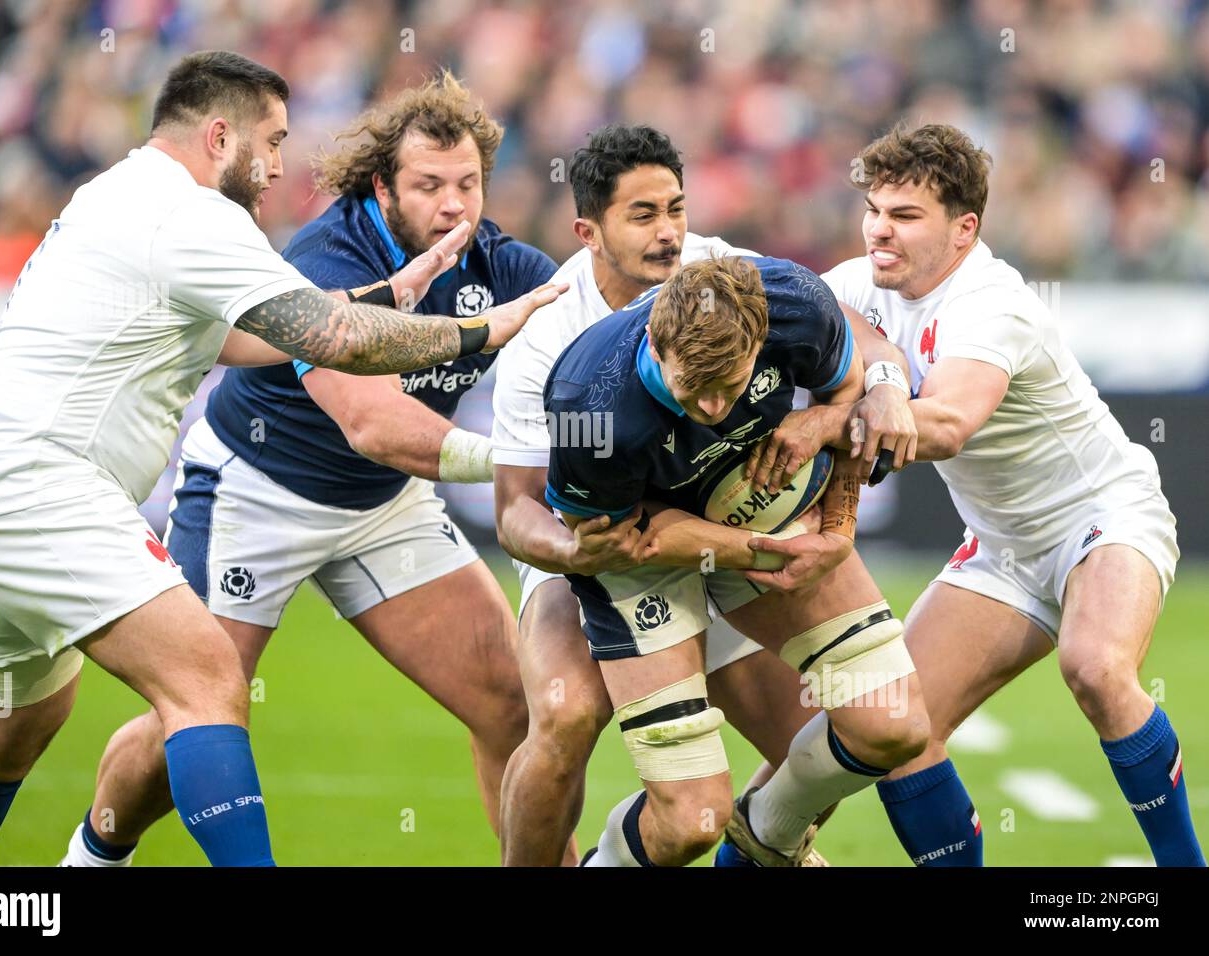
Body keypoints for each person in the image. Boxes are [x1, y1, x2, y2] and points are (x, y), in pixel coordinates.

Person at [0, 50, 559, 868]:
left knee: (9, 735)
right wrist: (480, 331)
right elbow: (339, 352)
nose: (282, 165)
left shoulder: (118, 193)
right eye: (274, 141)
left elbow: (241, 335)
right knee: (208, 682)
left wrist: (387, 296)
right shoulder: (196, 217)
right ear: (221, 135)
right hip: (59, 490)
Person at [751, 122, 1203, 867]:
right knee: (896, 728)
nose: (879, 230)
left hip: (1103, 514)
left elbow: (951, 423)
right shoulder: (854, 285)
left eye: (905, 216)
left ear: (964, 229)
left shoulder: (992, 302)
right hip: (1001, 548)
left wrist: (824, 424)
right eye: (874, 209)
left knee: (1094, 666)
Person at [492, 124, 916, 866]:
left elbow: (860, 354)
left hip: (734, 515)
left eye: (676, 209)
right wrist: (577, 549)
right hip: (606, 536)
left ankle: (758, 837)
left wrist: (856, 411)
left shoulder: (746, 278)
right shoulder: (559, 355)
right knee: (566, 713)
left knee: (874, 730)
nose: (669, 234)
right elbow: (518, 512)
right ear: (588, 231)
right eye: (643, 215)